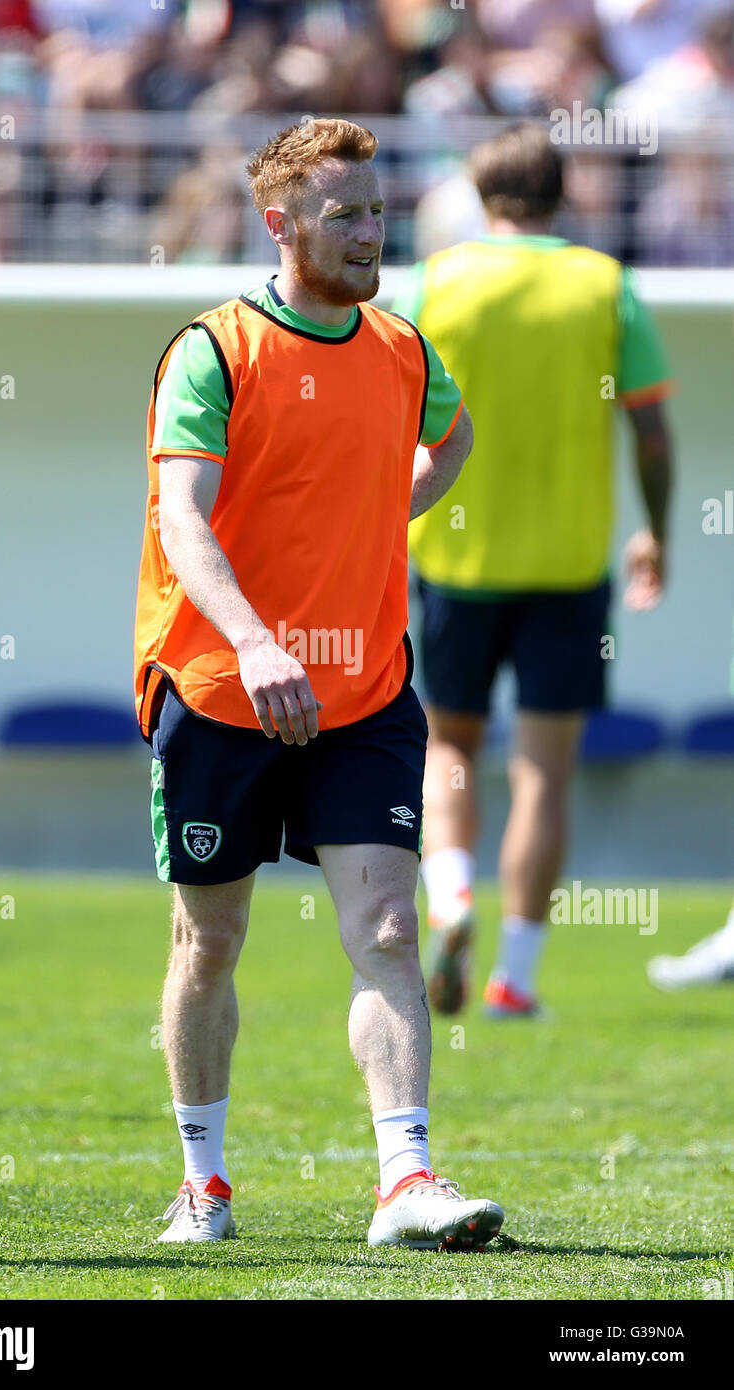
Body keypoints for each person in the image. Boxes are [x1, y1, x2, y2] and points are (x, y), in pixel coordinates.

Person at [133, 118, 504, 1248]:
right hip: (219, 686)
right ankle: (203, 1184)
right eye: (342, 214)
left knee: (390, 928)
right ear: (280, 225)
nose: (366, 232)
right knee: (211, 941)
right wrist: (253, 639)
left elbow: (455, 434)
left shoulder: (401, 347)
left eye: (377, 210)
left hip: (364, 694)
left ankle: (405, 1180)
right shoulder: (214, 347)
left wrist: (383, 509)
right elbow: (181, 521)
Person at [393, 121, 675, 1018]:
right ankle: (513, 978)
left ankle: (452, 900)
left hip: (449, 556)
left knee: (447, 747)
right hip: (567, 566)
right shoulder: (602, 284)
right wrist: (656, 533)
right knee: (543, 775)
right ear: (564, 194)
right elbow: (652, 431)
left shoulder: (435, 283)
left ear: (479, 196)